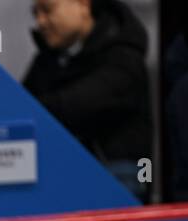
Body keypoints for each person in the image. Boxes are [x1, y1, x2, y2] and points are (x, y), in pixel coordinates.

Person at [23, 0, 153, 200]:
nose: (40, 21)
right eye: (36, 13)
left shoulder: (123, 56)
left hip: (115, 176)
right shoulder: (48, 59)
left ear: (83, 4)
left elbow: (75, 105)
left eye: (48, 10)